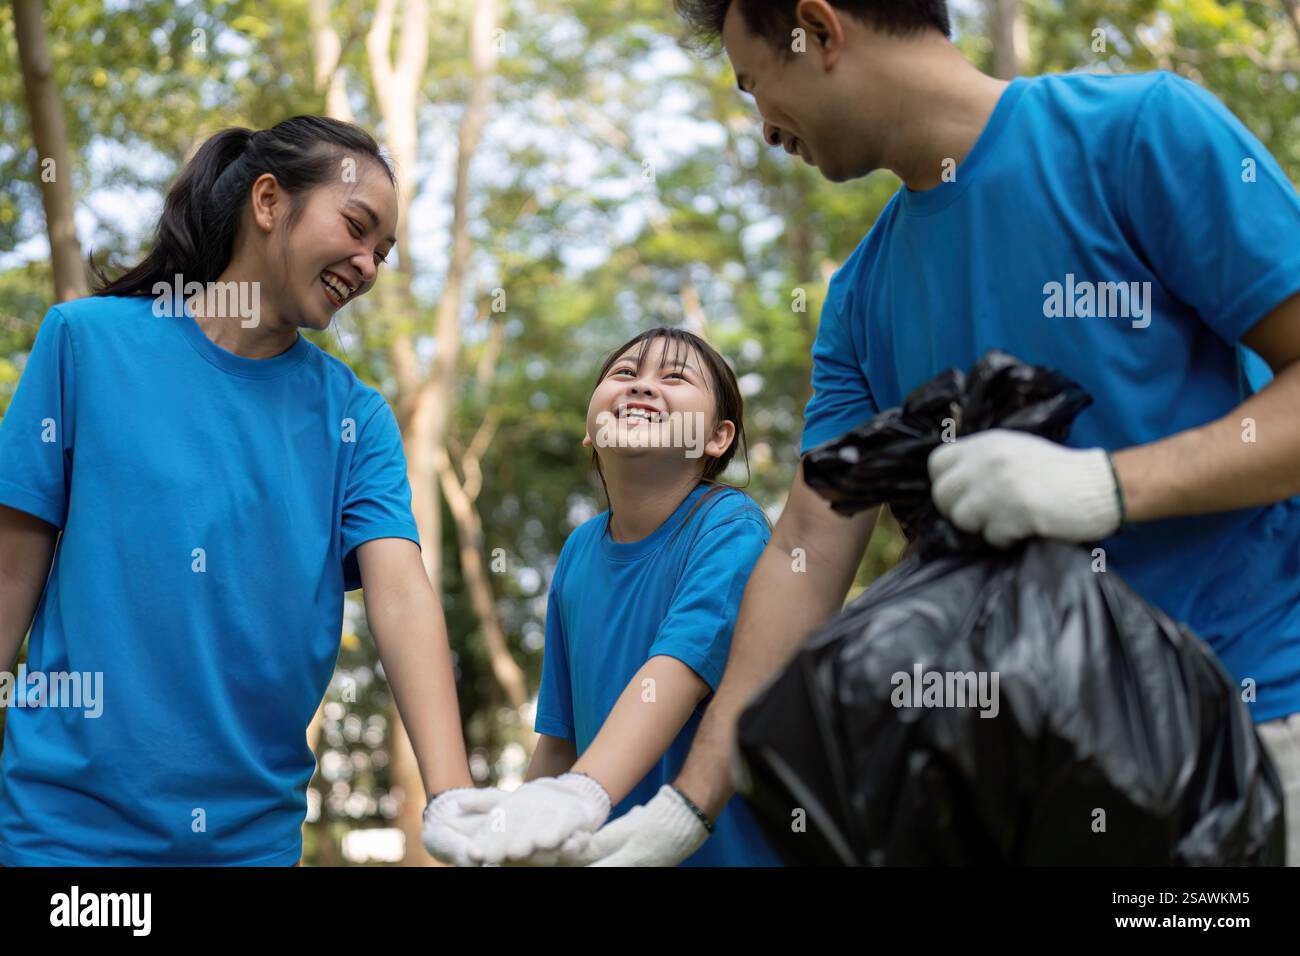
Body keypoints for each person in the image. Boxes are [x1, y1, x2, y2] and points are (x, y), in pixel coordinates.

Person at [579, 0, 1300, 865]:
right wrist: (687, 810)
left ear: (819, 29)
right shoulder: (859, 300)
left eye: (753, 82)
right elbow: (807, 547)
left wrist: (1105, 488)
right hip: (1024, 785)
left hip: (1246, 737)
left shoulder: (1138, 133)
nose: (764, 125)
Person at [0, 117, 476, 865]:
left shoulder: (356, 419)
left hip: (249, 843)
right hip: (65, 835)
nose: (368, 264)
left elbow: (401, 594)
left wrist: (450, 792)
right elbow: (9, 576)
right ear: (267, 201)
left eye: (382, 252)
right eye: (356, 228)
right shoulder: (85, 344)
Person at [422, 328, 781, 866]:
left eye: (675, 378)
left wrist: (581, 793)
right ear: (590, 430)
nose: (642, 387)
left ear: (717, 438)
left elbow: (676, 672)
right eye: (624, 374)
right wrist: (510, 838)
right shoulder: (579, 550)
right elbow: (559, 741)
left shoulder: (732, 527)